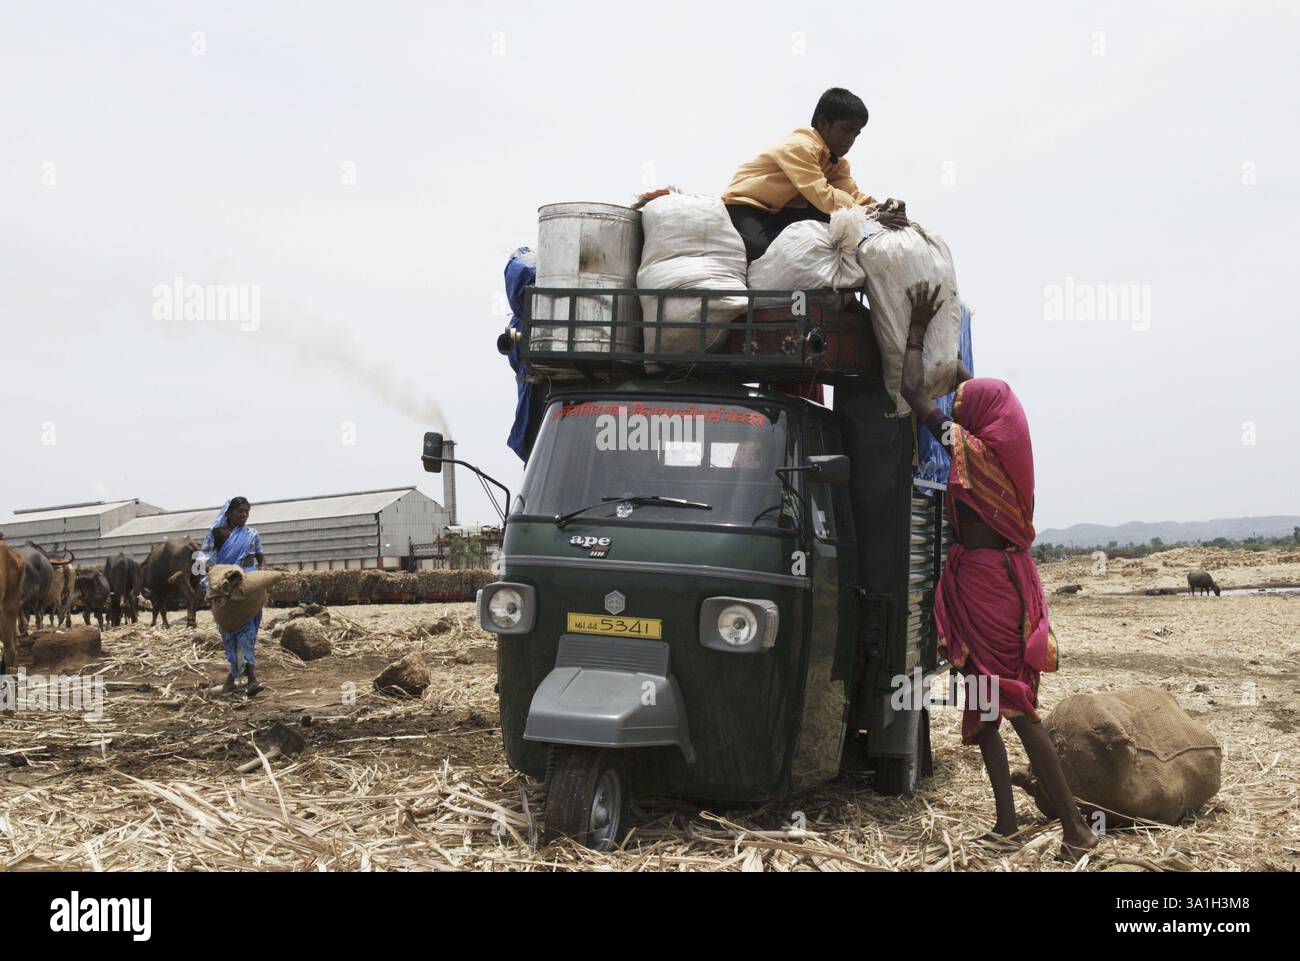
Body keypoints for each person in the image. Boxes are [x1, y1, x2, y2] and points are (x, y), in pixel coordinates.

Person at [900, 283, 1100, 861]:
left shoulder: (973, 453)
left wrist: (913, 326)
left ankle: (1076, 830)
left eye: (963, 409)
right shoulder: (997, 452)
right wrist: (950, 350)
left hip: (989, 587)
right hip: (983, 579)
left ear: (983, 420)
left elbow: (914, 390)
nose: (956, 410)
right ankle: (1007, 823)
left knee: (1012, 706)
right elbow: (961, 384)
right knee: (984, 708)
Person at [723, 87, 905, 262]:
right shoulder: (800, 146)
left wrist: (879, 208)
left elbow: (851, 195)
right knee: (763, 253)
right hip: (744, 207)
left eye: (856, 134)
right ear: (823, 123)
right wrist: (870, 216)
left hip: (779, 211)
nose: (850, 140)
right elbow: (823, 196)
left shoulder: (836, 162)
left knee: (837, 227)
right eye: (846, 130)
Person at [201, 497, 267, 697]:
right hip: (227, 586)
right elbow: (205, 560)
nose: (244, 515)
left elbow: (261, 558)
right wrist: (216, 580)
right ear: (228, 512)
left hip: (250, 586)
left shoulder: (252, 534)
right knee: (234, 633)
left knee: (250, 632)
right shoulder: (216, 533)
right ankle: (251, 679)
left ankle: (232, 681)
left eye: (247, 512)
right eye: (240, 511)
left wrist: (261, 577)